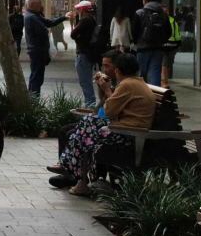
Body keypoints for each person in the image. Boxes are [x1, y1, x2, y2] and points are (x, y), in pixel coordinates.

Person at [56, 53, 155, 196]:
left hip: (127, 134)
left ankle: (72, 170)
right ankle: (75, 174)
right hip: (127, 131)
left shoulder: (127, 85)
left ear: (118, 71)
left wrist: (107, 89)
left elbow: (108, 110)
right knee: (86, 128)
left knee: (86, 130)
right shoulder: (136, 83)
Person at [23, 0, 71, 97]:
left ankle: (33, 98)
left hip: (37, 51)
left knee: (36, 76)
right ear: (33, 4)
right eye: (40, 3)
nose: (41, 5)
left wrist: (63, 17)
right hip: (37, 52)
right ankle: (34, 99)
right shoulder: (32, 17)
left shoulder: (34, 15)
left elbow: (49, 23)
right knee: (37, 77)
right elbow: (44, 30)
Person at [132, 0, 170, 86]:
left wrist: (136, 42)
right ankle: (155, 98)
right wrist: (162, 41)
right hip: (158, 48)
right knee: (155, 74)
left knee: (140, 74)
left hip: (142, 48)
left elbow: (134, 31)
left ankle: (142, 96)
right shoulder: (163, 14)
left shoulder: (140, 13)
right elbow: (168, 31)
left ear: (144, 0)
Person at [70, 0, 97, 107]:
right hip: (88, 53)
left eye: (78, 9)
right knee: (87, 80)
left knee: (85, 81)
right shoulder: (92, 19)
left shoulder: (85, 20)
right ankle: (90, 103)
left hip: (83, 53)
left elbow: (73, 34)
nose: (77, 11)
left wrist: (74, 24)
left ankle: (90, 104)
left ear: (82, 10)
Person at [161, 5, 182, 88]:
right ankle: (164, 82)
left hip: (172, 46)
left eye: (166, 11)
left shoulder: (172, 21)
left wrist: (178, 43)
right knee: (164, 63)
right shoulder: (159, 20)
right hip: (163, 45)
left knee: (168, 64)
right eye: (164, 11)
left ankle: (165, 81)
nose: (165, 13)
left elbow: (177, 32)